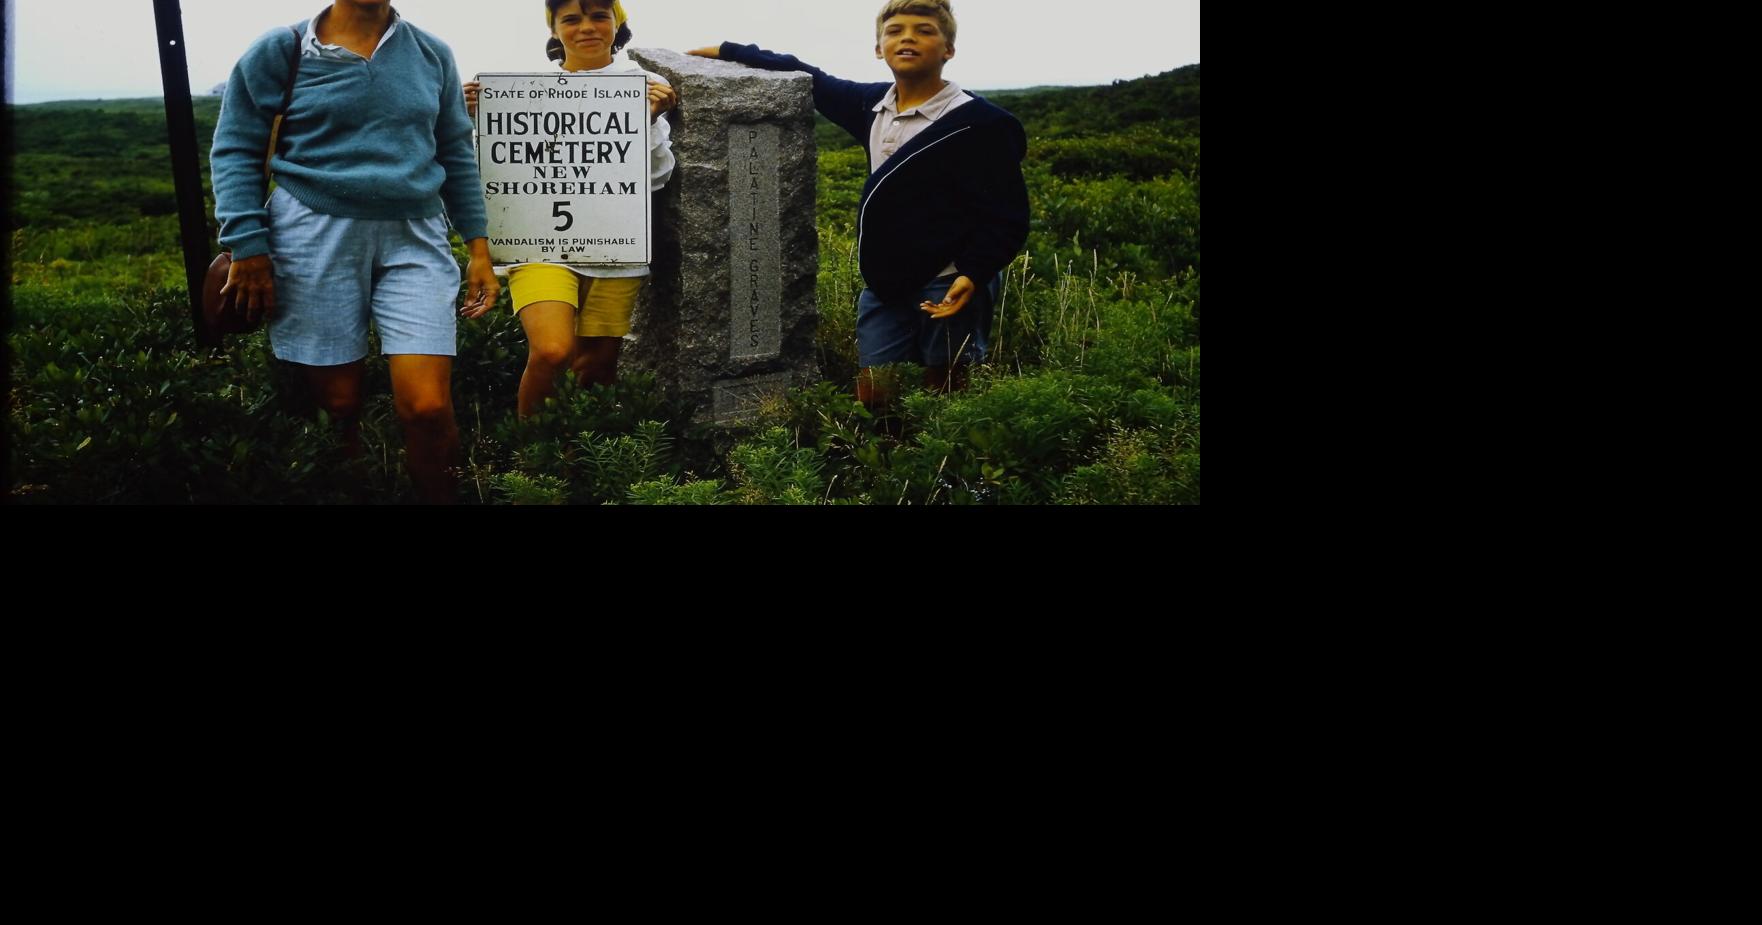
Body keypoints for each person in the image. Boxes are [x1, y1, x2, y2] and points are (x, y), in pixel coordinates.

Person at [212, 0, 498, 503]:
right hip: (311, 233)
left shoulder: (431, 53)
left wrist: (478, 247)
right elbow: (235, 147)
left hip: (417, 235)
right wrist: (247, 246)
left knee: (428, 406)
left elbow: (454, 148)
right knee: (339, 406)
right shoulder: (282, 49)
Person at [689, 0, 1028, 410]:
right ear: (878, 47)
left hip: (948, 275)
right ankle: (886, 458)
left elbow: (1007, 215)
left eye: (924, 30)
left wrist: (974, 272)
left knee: (947, 384)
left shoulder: (982, 124)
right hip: (886, 280)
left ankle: (944, 469)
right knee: (875, 390)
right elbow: (808, 75)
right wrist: (728, 51)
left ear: (948, 50)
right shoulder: (870, 105)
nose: (907, 38)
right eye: (895, 30)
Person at [464, 0, 678, 418]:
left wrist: (648, 119)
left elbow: (656, 178)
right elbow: (493, 172)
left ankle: (574, 464)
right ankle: (529, 463)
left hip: (616, 247)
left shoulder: (643, 83)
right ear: (554, 28)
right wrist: (474, 118)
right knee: (551, 350)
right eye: (571, 19)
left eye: (599, 15)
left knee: (595, 367)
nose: (587, 28)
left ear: (617, 22)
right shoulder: (523, 86)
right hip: (538, 245)